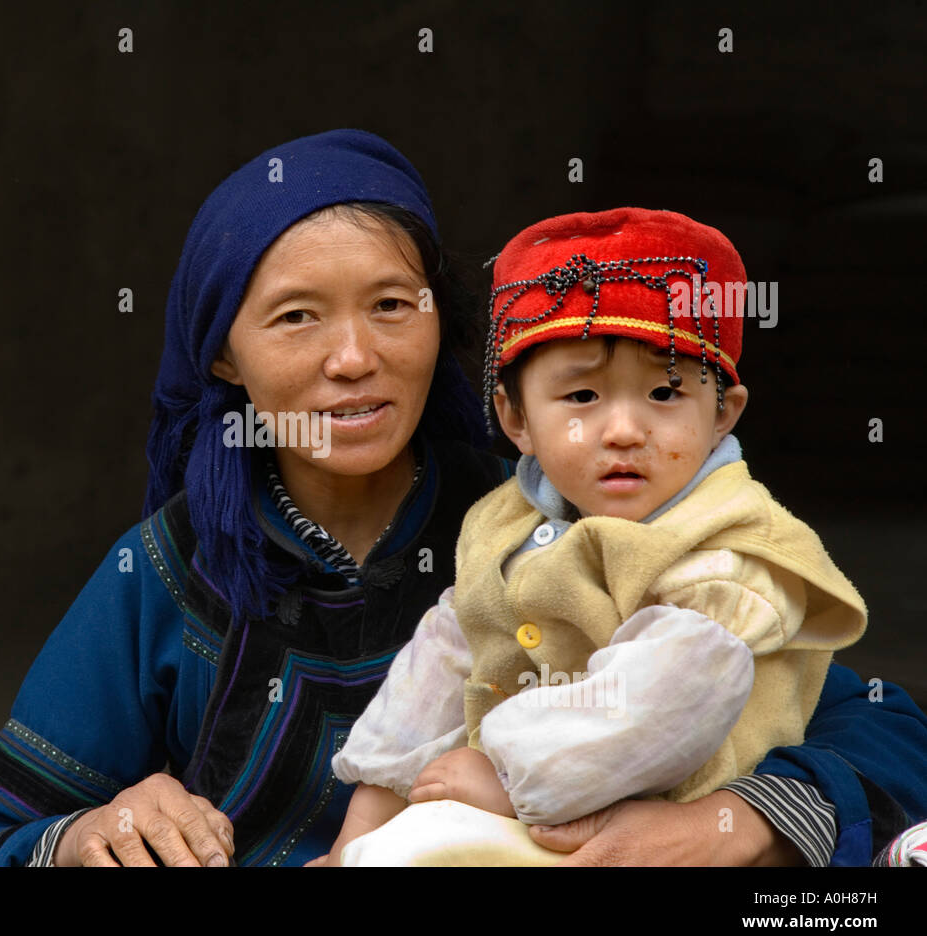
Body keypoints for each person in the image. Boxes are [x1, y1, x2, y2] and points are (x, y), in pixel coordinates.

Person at [0, 132, 927, 868]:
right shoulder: (165, 570)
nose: (354, 357)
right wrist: (81, 835)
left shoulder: (557, 525)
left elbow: (878, 727)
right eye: (295, 317)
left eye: (391, 304)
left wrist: (725, 823)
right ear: (222, 355)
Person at [328, 208, 872, 865]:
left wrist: (502, 771)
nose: (622, 430)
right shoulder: (505, 524)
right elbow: (445, 655)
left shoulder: (730, 548)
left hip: (671, 833)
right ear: (517, 419)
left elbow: (664, 697)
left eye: (665, 393)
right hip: (518, 813)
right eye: (582, 396)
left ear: (723, 414)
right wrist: (361, 826)